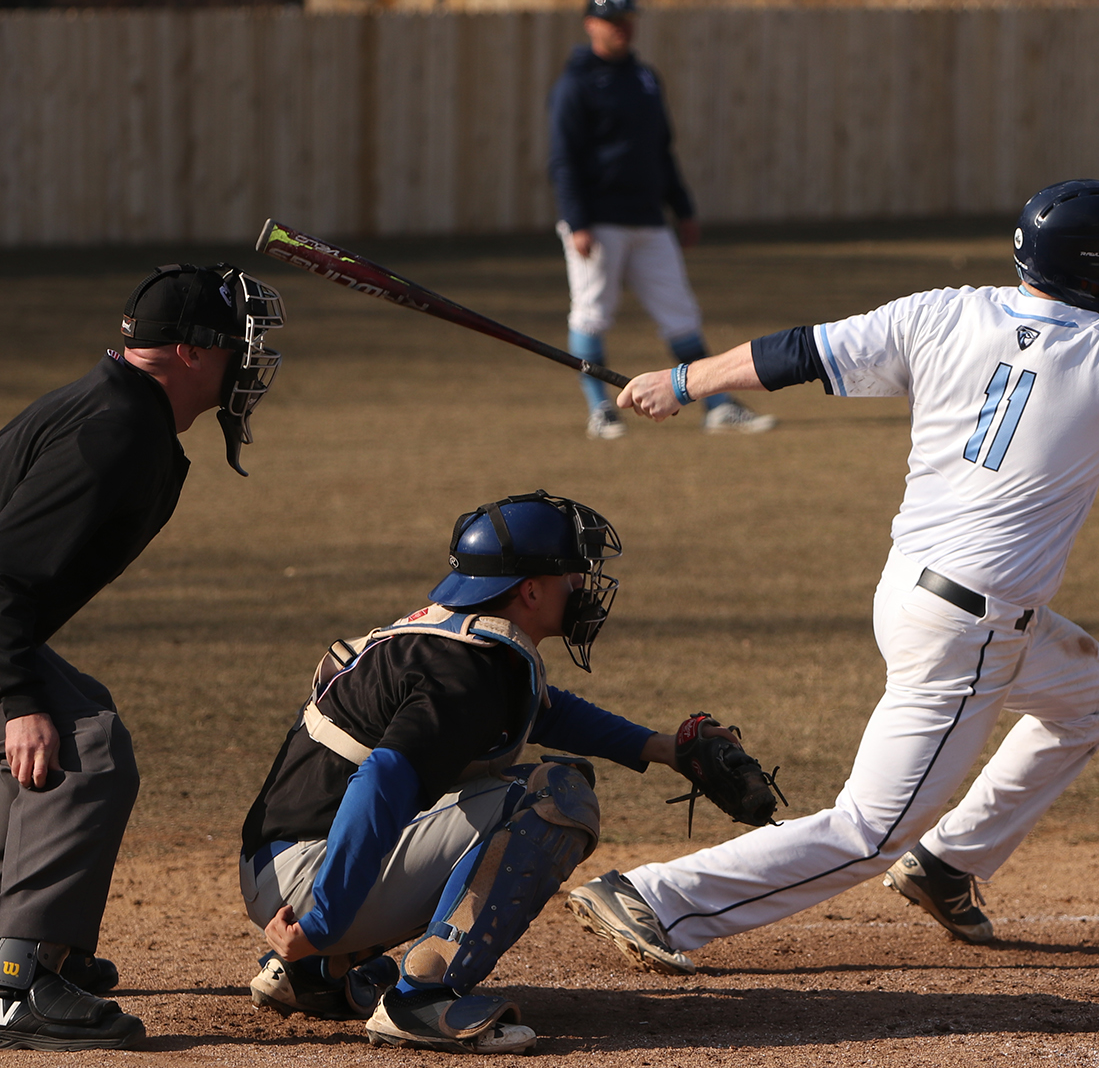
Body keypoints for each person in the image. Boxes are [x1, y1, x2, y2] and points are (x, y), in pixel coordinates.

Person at [563, 179, 1099, 972]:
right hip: (972, 628)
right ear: (1096, 272)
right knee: (870, 829)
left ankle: (949, 862)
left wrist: (681, 381)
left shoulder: (942, 312)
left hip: (910, 592)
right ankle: (655, 897)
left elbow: (798, 352)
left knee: (1094, 694)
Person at [237, 491, 735, 1054]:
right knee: (554, 798)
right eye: (573, 574)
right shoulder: (468, 674)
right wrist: (323, 922)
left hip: (283, 865)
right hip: (306, 884)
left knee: (499, 799)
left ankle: (311, 974)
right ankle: (421, 1000)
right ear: (531, 591)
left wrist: (662, 748)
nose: (584, 587)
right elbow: (380, 782)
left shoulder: (456, 640)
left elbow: (546, 711)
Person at [0, 263, 286, 1051]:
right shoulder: (115, 430)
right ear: (190, 351)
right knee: (87, 749)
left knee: (66, 721)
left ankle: (32, 943)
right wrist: (18, 698)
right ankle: (15, 985)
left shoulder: (123, 410)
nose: (250, 361)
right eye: (237, 344)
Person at [548, 0, 774, 439]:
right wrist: (578, 221)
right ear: (590, 24)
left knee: (680, 315)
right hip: (600, 220)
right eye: (613, 19)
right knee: (592, 314)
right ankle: (600, 410)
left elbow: (661, 151)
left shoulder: (644, 78)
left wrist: (682, 208)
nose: (623, 27)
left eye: (627, 18)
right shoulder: (576, 83)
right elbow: (563, 158)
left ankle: (717, 406)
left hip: (649, 219)